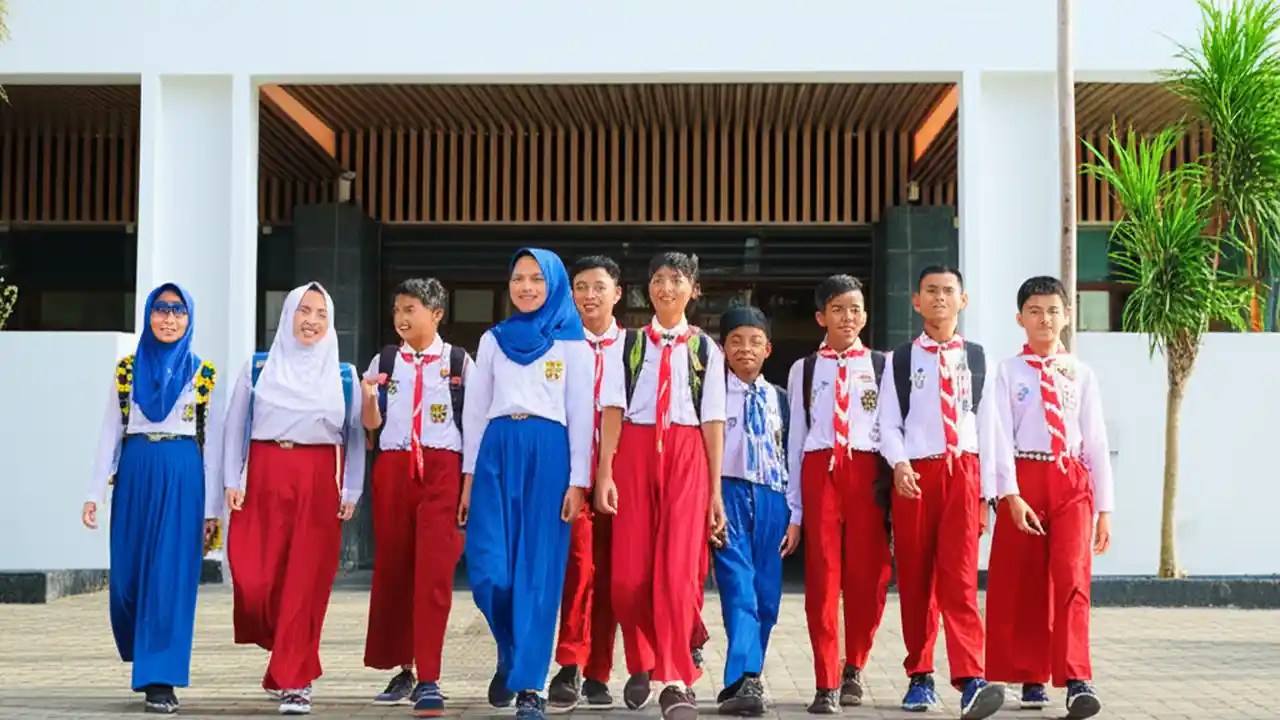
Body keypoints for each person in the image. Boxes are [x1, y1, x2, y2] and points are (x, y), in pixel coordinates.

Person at [461, 248, 594, 720]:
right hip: (497, 449)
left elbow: (581, 414)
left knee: (538, 575)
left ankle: (530, 687)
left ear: (553, 284)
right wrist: (467, 477)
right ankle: (511, 649)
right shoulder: (493, 339)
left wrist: (579, 481)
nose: (526, 287)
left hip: (549, 452)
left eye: (537, 278)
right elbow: (475, 412)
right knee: (490, 571)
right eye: (518, 278)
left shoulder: (574, 344)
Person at [221, 282, 365, 716]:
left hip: (318, 481)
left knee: (306, 583)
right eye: (304, 310)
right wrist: (232, 479)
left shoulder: (344, 375)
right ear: (287, 315)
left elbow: (354, 438)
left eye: (322, 313)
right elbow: (233, 429)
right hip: (263, 476)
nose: (312, 320)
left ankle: (295, 678)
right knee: (254, 579)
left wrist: (352, 488)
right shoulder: (258, 368)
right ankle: (282, 650)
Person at [595, 251, 727, 720]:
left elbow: (713, 421)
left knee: (675, 574)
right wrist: (606, 471)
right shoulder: (628, 346)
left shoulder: (706, 349)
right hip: (634, 448)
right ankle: (644, 657)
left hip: (687, 454)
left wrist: (714, 491)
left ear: (694, 288)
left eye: (676, 280)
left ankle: (675, 681)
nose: (665, 288)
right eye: (657, 279)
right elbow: (611, 409)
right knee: (628, 580)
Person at [84, 283, 222, 715]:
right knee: (127, 580)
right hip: (136, 472)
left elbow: (214, 444)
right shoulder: (127, 370)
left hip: (183, 474)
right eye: (160, 310)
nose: (168, 319)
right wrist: (94, 492)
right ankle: (141, 650)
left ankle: (160, 679)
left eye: (177, 311)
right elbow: (110, 432)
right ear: (148, 315)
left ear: (189, 318)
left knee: (169, 578)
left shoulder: (202, 373)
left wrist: (213, 508)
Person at [877, 265, 1005, 719]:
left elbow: (989, 432)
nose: (939, 299)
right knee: (914, 581)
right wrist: (900, 463)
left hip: (963, 473)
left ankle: (971, 678)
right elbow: (887, 424)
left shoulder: (977, 358)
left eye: (947, 291)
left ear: (962, 300)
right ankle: (920, 675)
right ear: (916, 301)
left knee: (961, 581)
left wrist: (988, 496)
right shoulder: (900, 360)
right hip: (915, 478)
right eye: (930, 291)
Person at [981, 275, 1111, 719]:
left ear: (1067, 316)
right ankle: (1029, 674)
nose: (1045, 319)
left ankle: (1077, 679)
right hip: (1025, 476)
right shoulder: (1006, 372)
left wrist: (1104, 507)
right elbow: (996, 436)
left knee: (1073, 578)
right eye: (1035, 311)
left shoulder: (1081, 373)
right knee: (1022, 580)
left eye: (1053, 310)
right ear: (1020, 318)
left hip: (1071, 480)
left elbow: (1095, 439)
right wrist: (1008, 494)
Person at [361, 278, 472, 717]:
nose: (402, 318)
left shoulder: (460, 363)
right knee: (395, 569)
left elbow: (475, 429)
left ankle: (430, 676)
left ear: (436, 313)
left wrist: (468, 483)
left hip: (444, 471)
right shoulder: (386, 360)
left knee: (433, 575)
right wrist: (369, 400)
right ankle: (404, 667)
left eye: (411, 309)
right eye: (397, 310)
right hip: (393, 468)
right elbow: (371, 425)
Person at [785, 274, 892, 714]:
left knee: (870, 580)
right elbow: (795, 438)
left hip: (867, 471)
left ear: (865, 314)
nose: (847, 318)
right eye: (837, 309)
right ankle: (826, 681)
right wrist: (795, 508)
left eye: (854, 309)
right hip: (820, 469)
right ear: (820, 316)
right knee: (823, 581)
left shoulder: (884, 366)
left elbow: (893, 431)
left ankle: (856, 665)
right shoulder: (805, 369)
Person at [547, 255, 626, 711]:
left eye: (599, 286)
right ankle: (569, 664)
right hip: (571, 470)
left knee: (614, 571)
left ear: (618, 293)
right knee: (577, 567)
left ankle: (599, 671)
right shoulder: (557, 344)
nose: (589, 295)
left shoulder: (634, 348)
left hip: (618, 471)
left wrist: (611, 471)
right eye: (580, 286)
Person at [712, 306, 793, 717]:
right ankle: (746, 677)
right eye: (736, 341)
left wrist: (794, 514)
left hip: (773, 500)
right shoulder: (710, 395)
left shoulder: (781, 397)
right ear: (723, 348)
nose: (745, 349)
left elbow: (790, 455)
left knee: (767, 598)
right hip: (727, 498)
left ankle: (744, 681)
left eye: (754, 341)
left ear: (767, 348)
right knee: (739, 588)